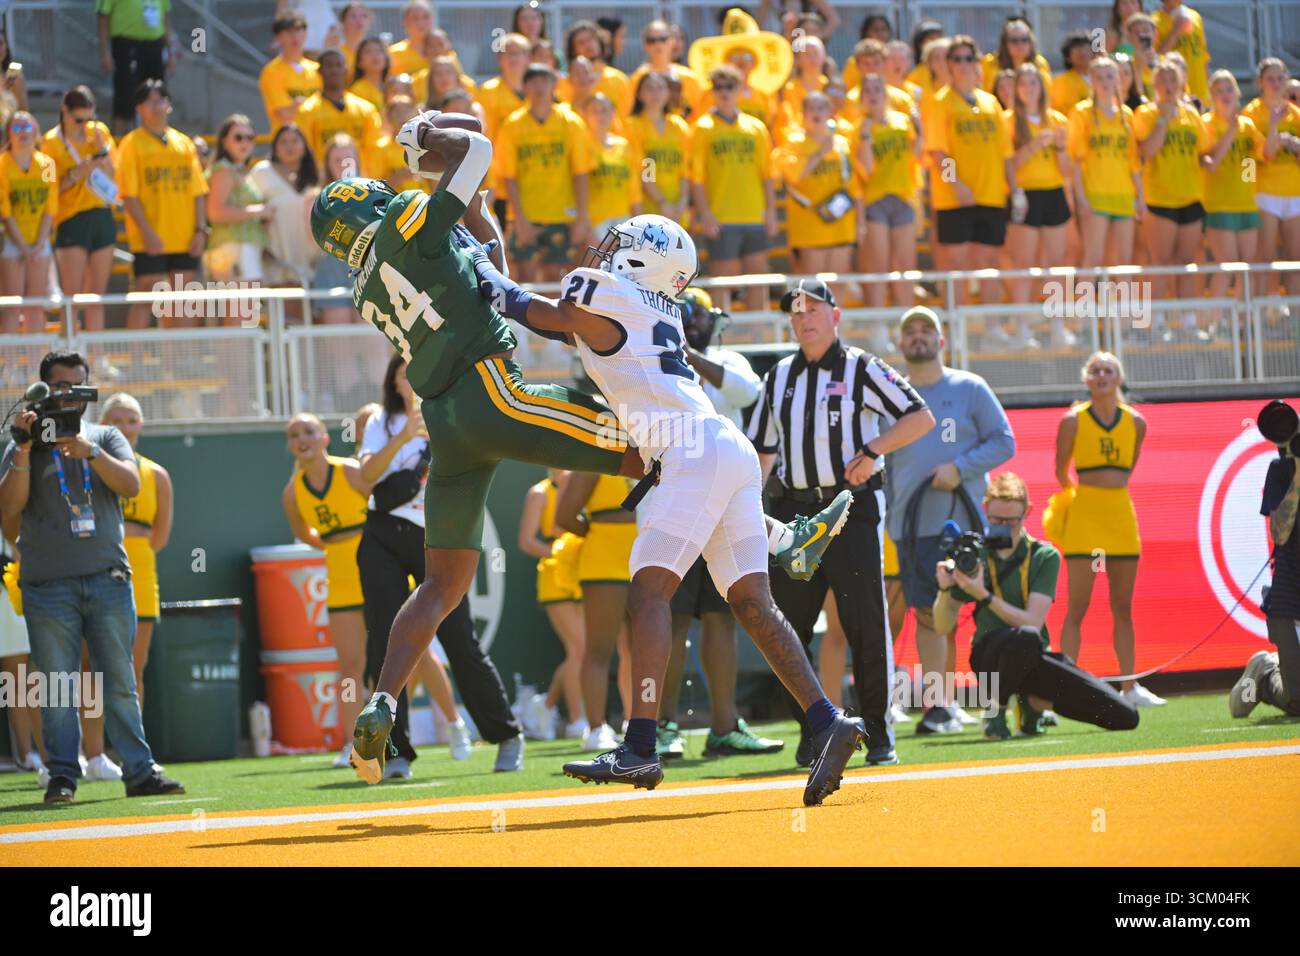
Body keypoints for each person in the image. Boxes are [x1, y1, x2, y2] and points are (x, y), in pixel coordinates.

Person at [311, 112, 834, 785]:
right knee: (655, 447)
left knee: (441, 583)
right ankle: (776, 538)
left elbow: (481, 249)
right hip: (495, 392)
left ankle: (382, 698)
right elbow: (476, 153)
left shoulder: (364, 282)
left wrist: (481, 212)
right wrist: (428, 146)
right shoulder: (408, 217)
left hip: (445, 425)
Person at [471, 218, 873, 805]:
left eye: (621, 247)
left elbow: (536, 312)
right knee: (753, 605)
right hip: (720, 447)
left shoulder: (608, 293)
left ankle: (639, 747)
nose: (606, 253)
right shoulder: (655, 309)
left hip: (688, 450)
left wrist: (479, 268)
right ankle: (825, 720)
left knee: (650, 594)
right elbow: (564, 326)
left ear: (645, 262)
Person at [747, 280, 935, 768]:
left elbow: (919, 417)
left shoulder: (863, 367)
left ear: (836, 315)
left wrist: (873, 451)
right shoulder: (778, 376)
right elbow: (763, 449)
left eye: (814, 308)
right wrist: (748, 503)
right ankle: (814, 734)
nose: (804, 317)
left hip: (851, 510)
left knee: (864, 622)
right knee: (785, 625)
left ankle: (878, 734)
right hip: (795, 514)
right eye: (796, 311)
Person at [0, 350, 183, 804]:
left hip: (107, 578)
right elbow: (8, 508)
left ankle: (139, 770)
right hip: (47, 585)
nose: (69, 395)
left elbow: (131, 485)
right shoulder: (24, 440)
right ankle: (63, 773)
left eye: (78, 386)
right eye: (59, 387)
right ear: (42, 390)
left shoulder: (105, 434)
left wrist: (91, 451)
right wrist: (23, 448)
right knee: (58, 682)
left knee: (118, 677)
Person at [355, 355, 519, 774]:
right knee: (383, 640)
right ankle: (394, 752)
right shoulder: (379, 420)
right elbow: (364, 477)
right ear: (393, 379)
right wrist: (404, 433)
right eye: (402, 370)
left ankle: (505, 735)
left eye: (418, 368)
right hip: (383, 534)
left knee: (461, 639)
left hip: (439, 537)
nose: (412, 376)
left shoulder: (453, 413)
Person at [656, 287, 782, 758]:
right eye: (685, 315)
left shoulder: (728, 360)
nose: (693, 322)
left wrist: (686, 354)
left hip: (724, 503)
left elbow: (746, 392)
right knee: (672, 618)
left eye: (699, 315)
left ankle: (724, 726)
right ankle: (664, 725)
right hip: (677, 499)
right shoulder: (657, 360)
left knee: (721, 618)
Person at [885, 306, 1016, 735]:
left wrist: (961, 468)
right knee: (927, 613)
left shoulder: (970, 387)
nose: (919, 337)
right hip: (911, 525)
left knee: (962, 610)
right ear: (900, 343)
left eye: (928, 330)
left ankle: (958, 701)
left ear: (942, 341)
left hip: (968, 522)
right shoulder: (888, 394)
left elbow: (1004, 441)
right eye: (911, 332)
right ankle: (939, 704)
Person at [933, 472, 1139, 738]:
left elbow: (1033, 622)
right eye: (996, 520)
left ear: (1027, 513)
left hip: (1033, 655)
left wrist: (982, 594)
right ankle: (996, 712)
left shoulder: (1044, 555)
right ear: (985, 510)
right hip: (989, 660)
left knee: (1124, 715)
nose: (1003, 527)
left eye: (1012, 521)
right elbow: (942, 625)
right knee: (1024, 639)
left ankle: (1032, 704)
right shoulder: (974, 555)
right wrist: (944, 590)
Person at [1051, 351, 1164, 708]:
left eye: (1109, 370)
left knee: (1123, 607)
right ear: (1087, 379)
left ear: (1119, 378)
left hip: (1119, 516)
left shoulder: (1137, 422)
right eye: (1095, 370)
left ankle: (1130, 687)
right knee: (1078, 606)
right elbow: (1060, 469)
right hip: (1085, 516)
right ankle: (1067, 686)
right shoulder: (1072, 420)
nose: (1102, 375)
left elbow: (1128, 466)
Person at [926, 36, 1012, 307]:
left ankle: (990, 327)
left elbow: (1005, 152)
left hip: (991, 194)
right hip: (954, 198)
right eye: (957, 59)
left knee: (988, 264)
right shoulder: (940, 102)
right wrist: (956, 184)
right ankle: (957, 323)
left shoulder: (990, 102)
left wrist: (1015, 189)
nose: (963, 65)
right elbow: (939, 151)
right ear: (948, 64)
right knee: (957, 264)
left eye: (969, 58)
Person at [115, 80, 207, 331]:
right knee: (147, 294)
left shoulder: (184, 143)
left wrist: (200, 230)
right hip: (151, 236)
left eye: (161, 100)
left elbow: (198, 191)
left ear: (169, 105)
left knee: (183, 299)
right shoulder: (132, 144)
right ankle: (135, 362)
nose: (156, 106)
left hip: (184, 234)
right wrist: (147, 234)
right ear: (138, 108)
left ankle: (178, 361)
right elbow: (129, 196)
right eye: (150, 101)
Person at [554, 470, 635, 752]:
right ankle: (596, 727)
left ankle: (639, 722)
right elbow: (563, 517)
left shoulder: (654, 449)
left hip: (648, 554)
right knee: (599, 649)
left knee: (639, 650)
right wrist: (599, 532)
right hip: (604, 559)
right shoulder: (593, 457)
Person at [690, 65, 777, 313]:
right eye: (719, 87)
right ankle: (720, 335)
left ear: (739, 89)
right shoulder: (703, 128)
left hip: (753, 212)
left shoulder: (756, 127)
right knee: (722, 280)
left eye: (730, 86)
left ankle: (761, 335)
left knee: (757, 278)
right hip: (721, 214)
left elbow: (767, 175)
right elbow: (696, 178)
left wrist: (770, 210)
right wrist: (705, 212)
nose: (724, 92)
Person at [496, 64, 593, 284]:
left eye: (545, 80)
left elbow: (580, 171)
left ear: (554, 84)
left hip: (561, 214)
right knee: (525, 278)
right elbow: (508, 176)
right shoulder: (513, 125)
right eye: (533, 81)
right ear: (525, 86)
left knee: (555, 278)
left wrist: (582, 216)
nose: (539, 87)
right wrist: (519, 218)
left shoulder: (571, 122)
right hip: (526, 215)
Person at [1231, 410, 1300, 719]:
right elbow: (1280, 533)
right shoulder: (1279, 470)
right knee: (1298, 703)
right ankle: (1266, 671)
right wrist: (1297, 472)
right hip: (1290, 583)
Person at [1134, 58, 1210, 336]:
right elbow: (1147, 151)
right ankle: (1157, 321)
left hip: (1190, 195)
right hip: (1160, 198)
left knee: (1187, 262)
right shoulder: (1146, 113)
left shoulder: (1192, 114)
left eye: (1172, 79)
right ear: (1154, 84)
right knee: (1161, 261)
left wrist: (1236, 167)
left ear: (1180, 83)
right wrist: (1164, 117)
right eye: (1162, 80)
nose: (1168, 85)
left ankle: (1189, 322)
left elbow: (1202, 151)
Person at [517, 470, 587, 741]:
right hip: (554, 577)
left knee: (582, 650)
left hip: (583, 575)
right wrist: (560, 554)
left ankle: (545, 706)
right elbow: (526, 541)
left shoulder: (583, 484)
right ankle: (576, 719)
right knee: (579, 649)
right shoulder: (540, 493)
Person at [44, 85, 116, 333]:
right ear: (65, 111)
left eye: (90, 118)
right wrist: (77, 173)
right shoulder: (50, 142)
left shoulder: (100, 133)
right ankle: (67, 355)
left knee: (97, 296)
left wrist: (101, 152)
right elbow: (51, 188)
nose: (85, 124)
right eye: (79, 119)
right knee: (71, 297)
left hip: (101, 214)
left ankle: (99, 358)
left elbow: (114, 179)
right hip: (71, 218)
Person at [1003, 63, 1072, 320]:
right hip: (1025, 193)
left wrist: (1062, 147)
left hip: (1053, 192)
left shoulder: (1057, 120)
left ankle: (1058, 323)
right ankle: (1023, 322)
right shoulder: (1008, 120)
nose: (1028, 89)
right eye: (1023, 83)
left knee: (1056, 263)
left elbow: (1066, 170)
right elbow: (1009, 163)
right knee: (1024, 263)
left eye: (1033, 83)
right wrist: (1034, 146)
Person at [852, 72, 920, 312]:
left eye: (877, 90)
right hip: (875, 199)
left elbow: (918, 156)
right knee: (879, 267)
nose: (873, 95)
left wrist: (919, 126)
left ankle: (906, 318)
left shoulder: (903, 121)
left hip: (903, 197)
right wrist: (866, 134)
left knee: (905, 266)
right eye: (867, 91)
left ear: (886, 94)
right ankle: (879, 323)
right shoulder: (859, 128)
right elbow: (867, 170)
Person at [1068, 57, 1143, 270]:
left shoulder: (1125, 114)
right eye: (1099, 77)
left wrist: (1140, 196)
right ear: (1091, 81)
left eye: (1110, 76)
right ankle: (1086, 304)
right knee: (1093, 257)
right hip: (1095, 194)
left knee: (1123, 261)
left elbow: (1133, 161)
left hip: (1123, 193)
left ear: (1118, 80)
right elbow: (1076, 160)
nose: (1105, 82)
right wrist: (1080, 197)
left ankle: (1122, 304)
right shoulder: (1082, 113)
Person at [1200, 71, 1265, 305]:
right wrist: (1230, 130)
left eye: (1229, 89)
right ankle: (1214, 322)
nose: (1225, 95)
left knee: (1246, 269)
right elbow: (1212, 164)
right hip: (1219, 204)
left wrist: (1247, 187)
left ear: (1237, 92)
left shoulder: (1247, 126)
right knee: (1227, 265)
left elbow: (1252, 161)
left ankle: (1243, 324)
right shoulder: (1206, 124)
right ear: (1212, 96)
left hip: (1246, 204)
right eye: (1219, 91)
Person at [205, 113, 270, 324]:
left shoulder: (238, 170)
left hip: (243, 248)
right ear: (224, 141)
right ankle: (236, 359)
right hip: (232, 248)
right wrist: (258, 211)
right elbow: (215, 212)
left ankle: (241, 358)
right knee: (238, 319)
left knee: (244, 318)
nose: (245, 142)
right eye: (238, 137)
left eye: (250, 137)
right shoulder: (224, 169)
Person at [1243, 59, 1300, 301]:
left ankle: (1295, 313)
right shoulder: (1251, 114)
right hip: (1264, 192)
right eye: (1270, 79)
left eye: (1280, 78)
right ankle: (1270, 307)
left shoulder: (1296, 113)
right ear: (1260, 83)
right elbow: (1253, 158)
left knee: (1295, 257)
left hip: (1294, 191)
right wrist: (1249, 192)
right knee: (1266, 256)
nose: (1276, 84)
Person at [0, 112, 56, 335]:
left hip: (39, 242)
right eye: (16, 128)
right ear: (8, 134)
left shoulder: (47, 164)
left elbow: (49, 209)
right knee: (13, 306)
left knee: (36, 306)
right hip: (14, 242)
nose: (22, 133)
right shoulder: (3, 165)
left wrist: (38, 244)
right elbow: (6, 212)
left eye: (27, 127)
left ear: (36, 131)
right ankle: (10, 366)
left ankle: (36, 364)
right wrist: (24, 247)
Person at [250, 124, 320, 289]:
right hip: (275, 258)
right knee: (286, 311)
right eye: (283, 141)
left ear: (304, 147)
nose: (289, 146)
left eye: (295, 141)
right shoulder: (262, 172)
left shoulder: (315, 176)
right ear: (274, 147)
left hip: (312, 259)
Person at [296, 49, 383, 178]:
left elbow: (374, 151)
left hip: (362, 182)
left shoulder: (366, 109)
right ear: (319, 71)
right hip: (325, 183)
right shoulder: (306, 111)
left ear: (346, 70)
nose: (334, 70)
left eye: (338, 65)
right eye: (329, 66)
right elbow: (305, 154)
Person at [0, 525, 42, 775]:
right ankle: (25, 753)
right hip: (6, 597)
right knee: (15, 679)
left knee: (37, 677)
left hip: (30, 591)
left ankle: (52, 753)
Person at [96, 0, 170, 138]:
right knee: (125, 97)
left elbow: (165, 17)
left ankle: (158, 140)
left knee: (158, 95)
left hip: (155, 44)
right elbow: (103, 16)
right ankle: (118, 141)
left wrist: (170, 51)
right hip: (127, 44)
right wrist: (105, 52)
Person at [310, 135, 363, 324]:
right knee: (339, 346)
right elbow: (312, 243)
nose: (343, 166)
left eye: (348, 159)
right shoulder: (316, 199)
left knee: (373, 346)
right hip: (332, 268)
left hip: (366, 267)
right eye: (337, 160)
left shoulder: (375, 194)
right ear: (327, 164)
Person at [625, 71, 691, 222]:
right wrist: (662, 202)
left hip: (677, 208)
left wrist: (683, 200)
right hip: (648, 208)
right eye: (650, 88)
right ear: (639, 95)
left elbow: (685, 170)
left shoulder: (679, 125)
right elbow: (644, 169)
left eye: (661, 88)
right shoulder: (633, 126)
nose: (656, 93)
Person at [582, 93, 641, 236]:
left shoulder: (624, 145)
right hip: (594, 220)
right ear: (585, 114)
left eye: (604, 110)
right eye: (594, 111)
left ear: (613, 113)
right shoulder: (583, 144)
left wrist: (637, 221)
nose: (600, 115)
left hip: (623, 219)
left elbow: (633, 187)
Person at [625, 19, 704, 118]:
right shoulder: (637, 79)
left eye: (663, 39)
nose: (658, 44)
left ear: (672, 41)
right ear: (645, 45)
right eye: (651, 40)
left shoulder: (690, 78)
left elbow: (701, 113)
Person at [259, 11, 322, 134]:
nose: (294, 36)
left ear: (305, 34)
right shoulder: (271, 71)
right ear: (278, 37)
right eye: (288, 32)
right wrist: (316, 106)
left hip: (316, 143)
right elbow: (284, 114)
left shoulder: (318, 69)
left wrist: (299, 105)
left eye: (298, 30)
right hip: (287, 141)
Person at [475, 32, 529, 142]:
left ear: (528, 58)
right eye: (508, 53)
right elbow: (483, 131)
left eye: (517, 53)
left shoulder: (538, 88)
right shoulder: (488, 91)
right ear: (499, 59)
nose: (513, 58)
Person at [1154, 0, 1210, 104]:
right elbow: (1156, 58)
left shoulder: (1195, 16)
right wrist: (1176, 30)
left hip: (1200, 89)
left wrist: (1208, 86)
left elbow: (1203, 55)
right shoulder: (1155, 21)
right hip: (1174, 93)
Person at [1053, 31, 1095, 116]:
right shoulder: (1061, 81)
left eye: (1085, 46)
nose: (1082, 51)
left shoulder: (1103, 77)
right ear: (1068, 57)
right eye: (1077, 48)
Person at [348, 36, 389, 115]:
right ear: (359, 62)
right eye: (368, 52)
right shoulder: (357, 90)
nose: (375, 56)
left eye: (379, 51)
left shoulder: (392, 86)